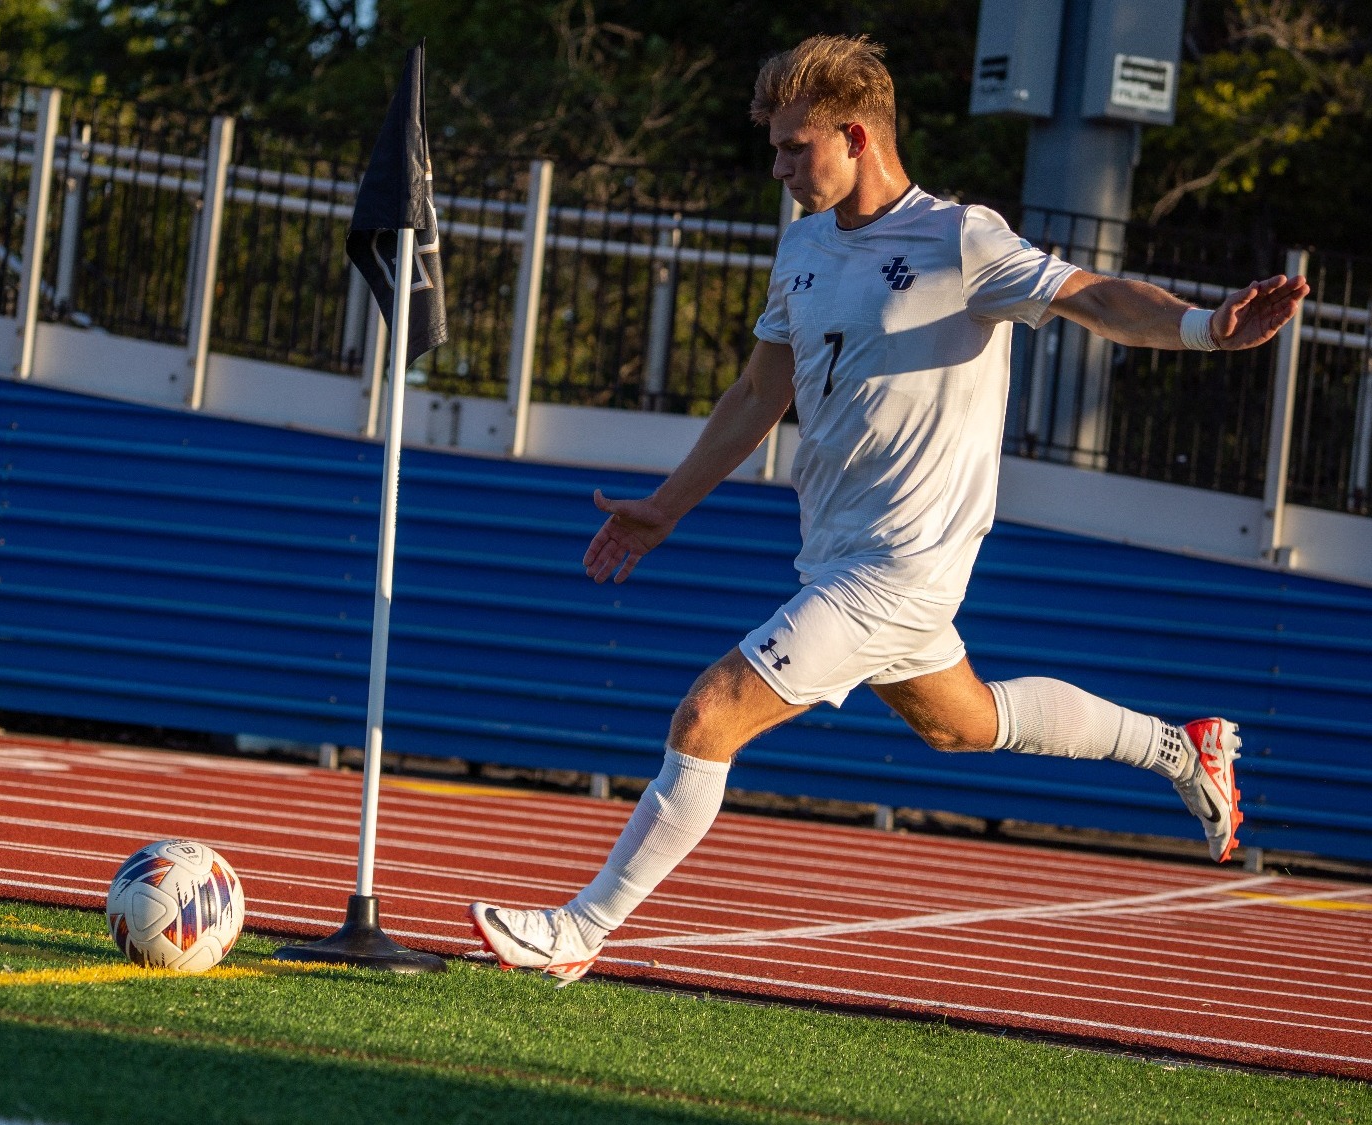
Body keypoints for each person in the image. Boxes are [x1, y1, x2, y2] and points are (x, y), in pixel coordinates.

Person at [468, 34, 1309, 985]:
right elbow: (758, 393)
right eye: (775, 148)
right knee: (963, 721)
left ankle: (581, 928)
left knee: (707, 717)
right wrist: (666, 506)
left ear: (858, 135)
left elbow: (1096, 297)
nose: (779, 166)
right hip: (837, 553)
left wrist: (1204, 328)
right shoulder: (803, 243)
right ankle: (1180, 748)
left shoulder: (962, 239)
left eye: (795, 148)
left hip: (903, 566)